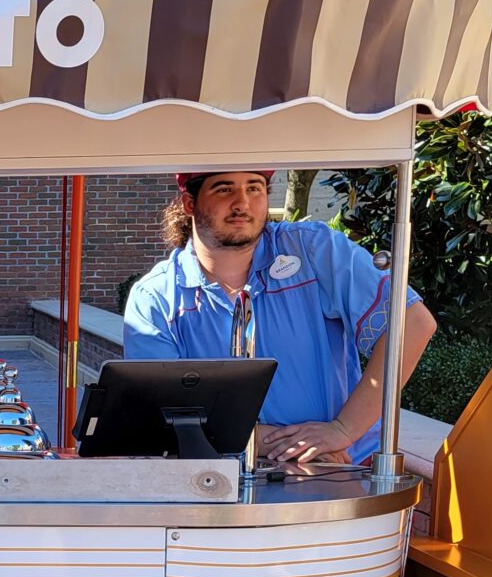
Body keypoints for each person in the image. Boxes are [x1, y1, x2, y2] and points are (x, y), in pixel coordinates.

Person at [122, 170, 437, 464]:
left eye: (254, 188)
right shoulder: (155, 298)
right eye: (224, 189)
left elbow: (412, 323)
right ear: (190, 203)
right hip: (216, 483)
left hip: (339, 474)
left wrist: (343, 430)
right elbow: (162, 419)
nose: (242, 202)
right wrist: (272, 443)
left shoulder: (313, 250)